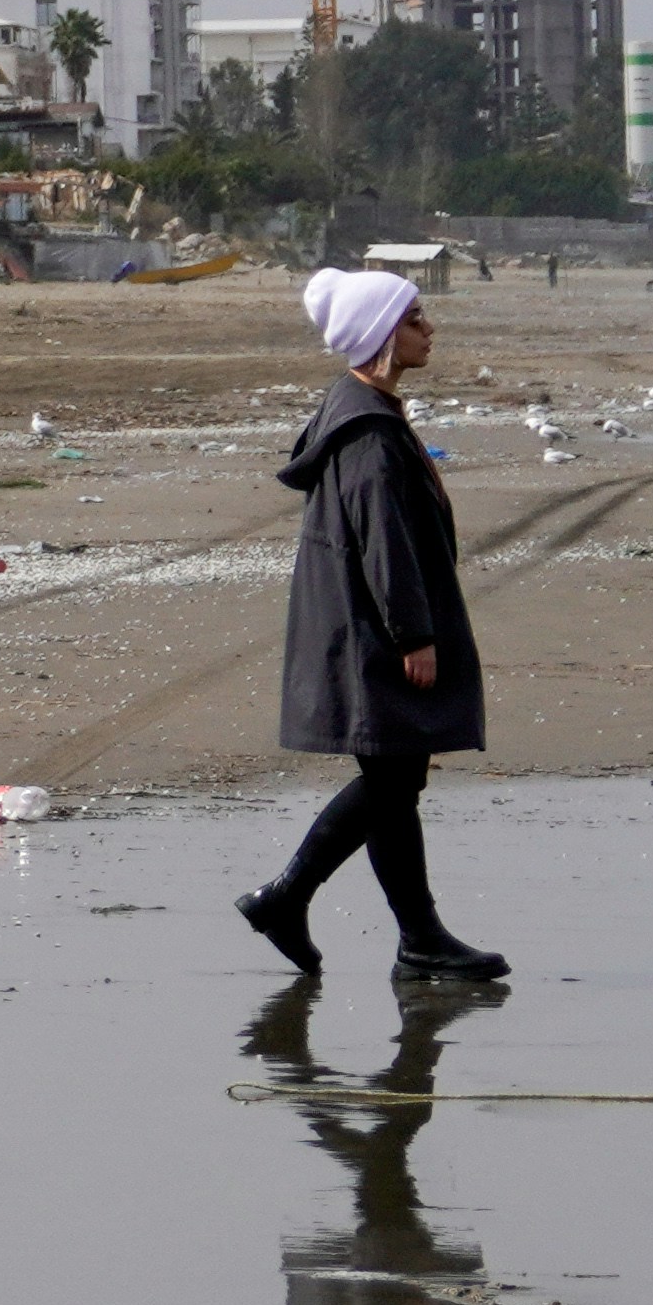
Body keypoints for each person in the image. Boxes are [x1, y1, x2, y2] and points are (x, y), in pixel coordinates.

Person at [241, 264, 507, 984]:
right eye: (416, 318)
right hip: (372, 633)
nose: (430, 329)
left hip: (361, 625)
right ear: (384, 335)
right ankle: (287, 898)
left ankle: (417, 939)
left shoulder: (364, 411)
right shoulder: (369, 433)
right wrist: (414, 635)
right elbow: (383, 539)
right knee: (392, 780)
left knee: (396, 776)